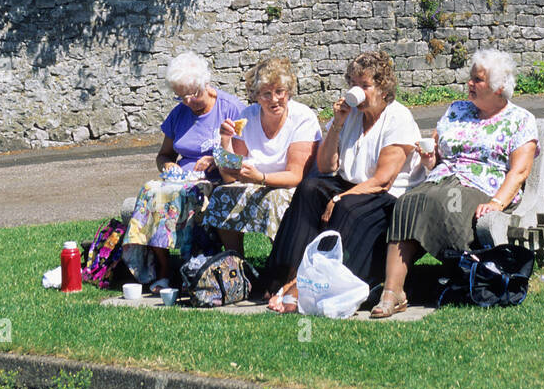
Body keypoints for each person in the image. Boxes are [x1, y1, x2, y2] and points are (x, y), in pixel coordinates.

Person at [370, 47, 539, 318]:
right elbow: (438, 158)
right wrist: (429, 158)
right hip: (442, 179)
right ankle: (392, 291)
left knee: (439, 202)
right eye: (471, 78)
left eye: (478, 80)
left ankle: (459, 270)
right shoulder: (457, 109)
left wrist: (497, 202)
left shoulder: (520, 120)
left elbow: (519, 172)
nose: (470, 84)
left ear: (498, 88)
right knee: (407, 201)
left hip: (483, 187)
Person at [261, 50, 421, 312]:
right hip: (350, 185)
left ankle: (311, 287)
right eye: (354, 85)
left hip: (385, 195)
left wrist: (339, 198)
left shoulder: (397, 118)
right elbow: (325, 166)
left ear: (383, 89)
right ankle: (286, 274)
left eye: (365, 86)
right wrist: (337, 123)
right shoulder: (353, 115)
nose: (357, 91)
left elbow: (383, 181)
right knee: (310, 189)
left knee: (346, 209)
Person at [121, 51, 247, 287]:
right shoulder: (179, 114)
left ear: (206, 84)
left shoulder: (230, 108)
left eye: (193, 94)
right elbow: (164, 154)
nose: (188, 102)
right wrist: (168, 165)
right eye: (181, 97)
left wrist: (214, 157)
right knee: (151, 193)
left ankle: (201, 265)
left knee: (188, 197)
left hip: (220, 180)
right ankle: (163, 270)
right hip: (183, 180)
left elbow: (244, 155)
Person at [192, 55, 322, 254]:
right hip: (257, 182)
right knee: (222, 195)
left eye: (280, 92)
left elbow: (295, 176)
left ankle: (282, 267)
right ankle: (236, 263)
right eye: (266, 94)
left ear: (288, 92)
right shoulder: (248, 116)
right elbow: (229, 177)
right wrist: (226, 140)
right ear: (256, 96)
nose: (274, 99)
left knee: (275, 200)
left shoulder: (302, 118)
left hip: (293, 187)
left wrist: (260, 178)